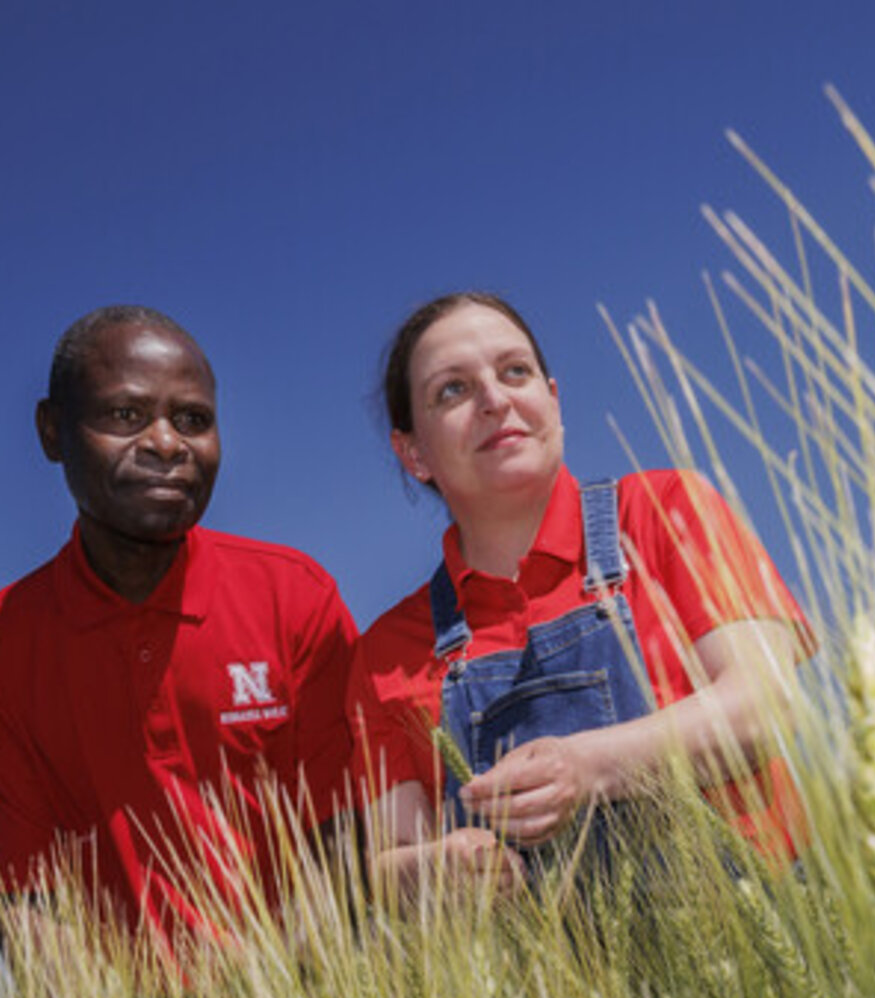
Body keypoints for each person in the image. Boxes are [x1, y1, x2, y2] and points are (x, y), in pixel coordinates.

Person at [347, 291, 810, 894]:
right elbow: (392, 860)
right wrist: (436, 871)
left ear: (554, 402)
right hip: (543, 983)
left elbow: (768, 704)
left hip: (756, 943)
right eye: (452, 391)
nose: (495, 399)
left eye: (515, 371)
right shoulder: (387, 652)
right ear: (413, 453)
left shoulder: (666, 511)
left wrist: (590, 768)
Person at [0, 305, 360, 945]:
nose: (167, 443)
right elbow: (30, 904)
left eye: (193, 420)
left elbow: (344, 839)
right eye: (125, 416)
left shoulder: (296, 597)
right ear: (52, 432)